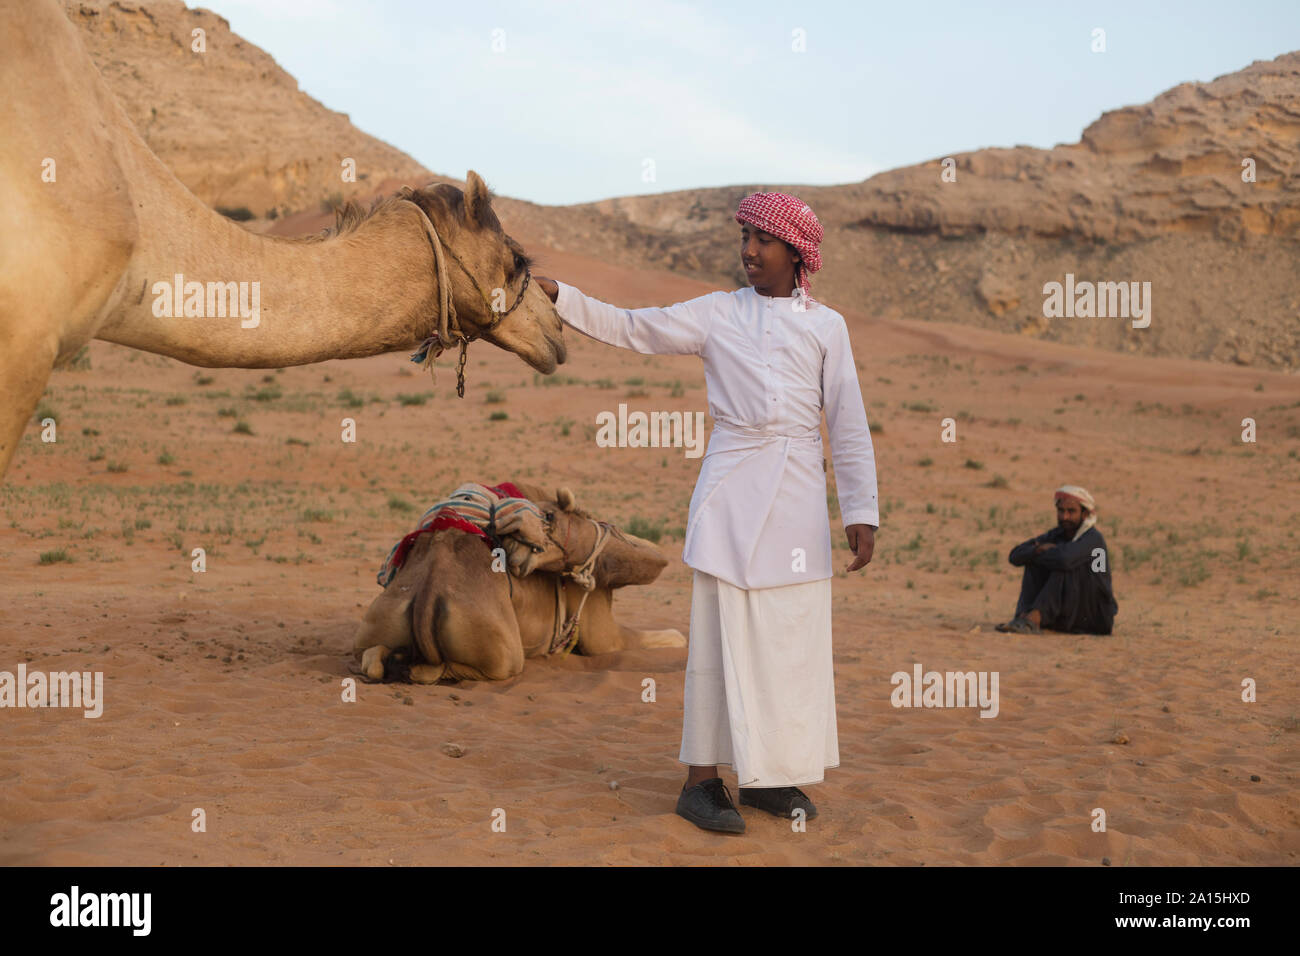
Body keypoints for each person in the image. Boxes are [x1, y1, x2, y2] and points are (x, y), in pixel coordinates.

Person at [534, 192, 878, 833]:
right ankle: (701, 782)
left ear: (796, 251)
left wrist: (861, 510)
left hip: (800, 500)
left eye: (761, 240)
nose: (748, 250)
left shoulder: (828, 326)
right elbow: (634, 327)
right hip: (730, 494)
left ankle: (770, 776)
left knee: (787, 640)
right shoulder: (719, 314)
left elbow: (848, 423)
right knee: (720, 640)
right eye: (743, 236)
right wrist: (562, 296)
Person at [997, 485, 1117, 635]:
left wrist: (1049, 552)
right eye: (1061, 511)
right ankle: (1024, 617)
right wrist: (1037, 550)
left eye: (1071, 511)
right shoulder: (1058, 534)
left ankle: (1033, 619)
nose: (1064, 516)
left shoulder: (1093, 538)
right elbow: (1015, 556)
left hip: (1095, 615)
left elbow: (1064, 559)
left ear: (1085, 514)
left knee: (1065, 564)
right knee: (1034, 559)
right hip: (1071, 611)